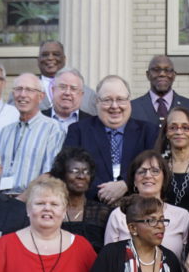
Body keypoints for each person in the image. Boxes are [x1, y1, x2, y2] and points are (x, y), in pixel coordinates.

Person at [64, 75, 158, 204]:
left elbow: (155, 168)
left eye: (120, 99)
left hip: (138, 207)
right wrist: (103, 193)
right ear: (97, 102)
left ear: (129, 101)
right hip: (91, 207)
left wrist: (126, 184)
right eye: (107, 100)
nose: (114, 106)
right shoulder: (78, 130)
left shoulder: (148, 131)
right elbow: (69, 168)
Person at [104, 150, 189, 259]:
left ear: (164, 178)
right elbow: (109, 259)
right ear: (134, 181)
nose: (148, 175)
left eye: (155, 171)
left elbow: (186, 263)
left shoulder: (182, 216)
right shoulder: (118, 215)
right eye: (142, 171)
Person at [0, 72, 66, 194]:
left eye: (29, 90)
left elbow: (50, 174)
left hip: (32, 201)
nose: (22, 95)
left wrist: (22, 199)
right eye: (18, 89)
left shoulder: (53, 129)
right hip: (2, 201)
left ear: (41, 96)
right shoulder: (5, 132)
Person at [50, 147, 112, 251]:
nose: (81, 176)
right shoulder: (50, 210)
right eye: (75, 171)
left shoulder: (103, 212)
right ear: (62, 174)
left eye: (86, 172)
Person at [131, 54, 189, 131]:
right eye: (156, 70)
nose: (162, 74)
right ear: (148, 75)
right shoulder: (132, 107)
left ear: (174, 75)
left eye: (167, 70)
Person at [45, 68, 94, 132]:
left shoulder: (93, 124)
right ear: (53, 91)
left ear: (81, 95)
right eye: (62, 87)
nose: (67, 93)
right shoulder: (37, 119)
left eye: (73, 88)